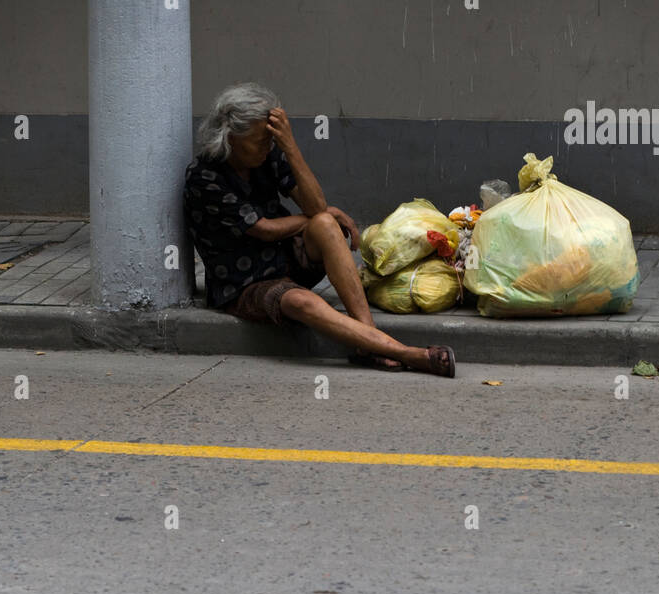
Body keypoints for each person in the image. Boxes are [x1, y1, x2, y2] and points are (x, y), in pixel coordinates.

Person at [184, 84, 456, 377]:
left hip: (283, 258)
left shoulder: (267, 156)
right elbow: (263, 229)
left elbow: (316, 206)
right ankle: (407, 353)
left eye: (270, 141)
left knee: (325, 223)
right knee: (302, 300)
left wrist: (290, 147)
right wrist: (315, 217)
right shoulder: (205, 176)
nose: (266, 148)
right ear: (230, 137)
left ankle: (368, 337)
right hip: (243, 284)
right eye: (258, 141)